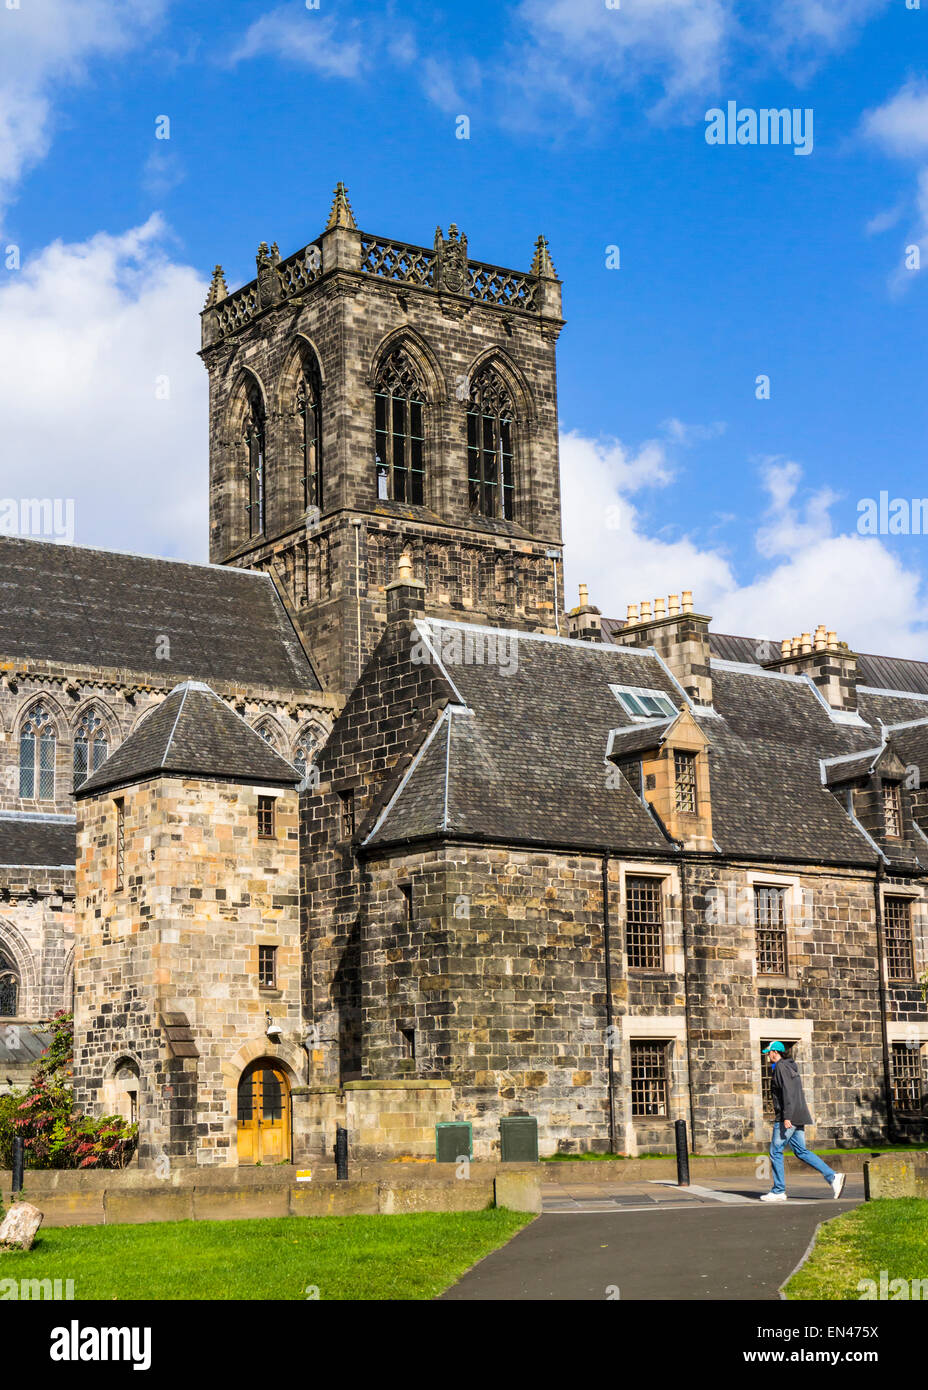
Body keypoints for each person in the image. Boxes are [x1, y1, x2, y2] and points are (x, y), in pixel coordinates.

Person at [759, 1041, 846, 1202]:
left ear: (775, 1053)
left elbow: (788, 1093)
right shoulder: (790, 1066)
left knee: (775, 1151)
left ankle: (778, 1190)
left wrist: (787, 1116)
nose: (767, 1055)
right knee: (801, 1151)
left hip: (789, 1117)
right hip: (798, 1115)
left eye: (768, 1052)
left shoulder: (780, 1067)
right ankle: (833, 1176)